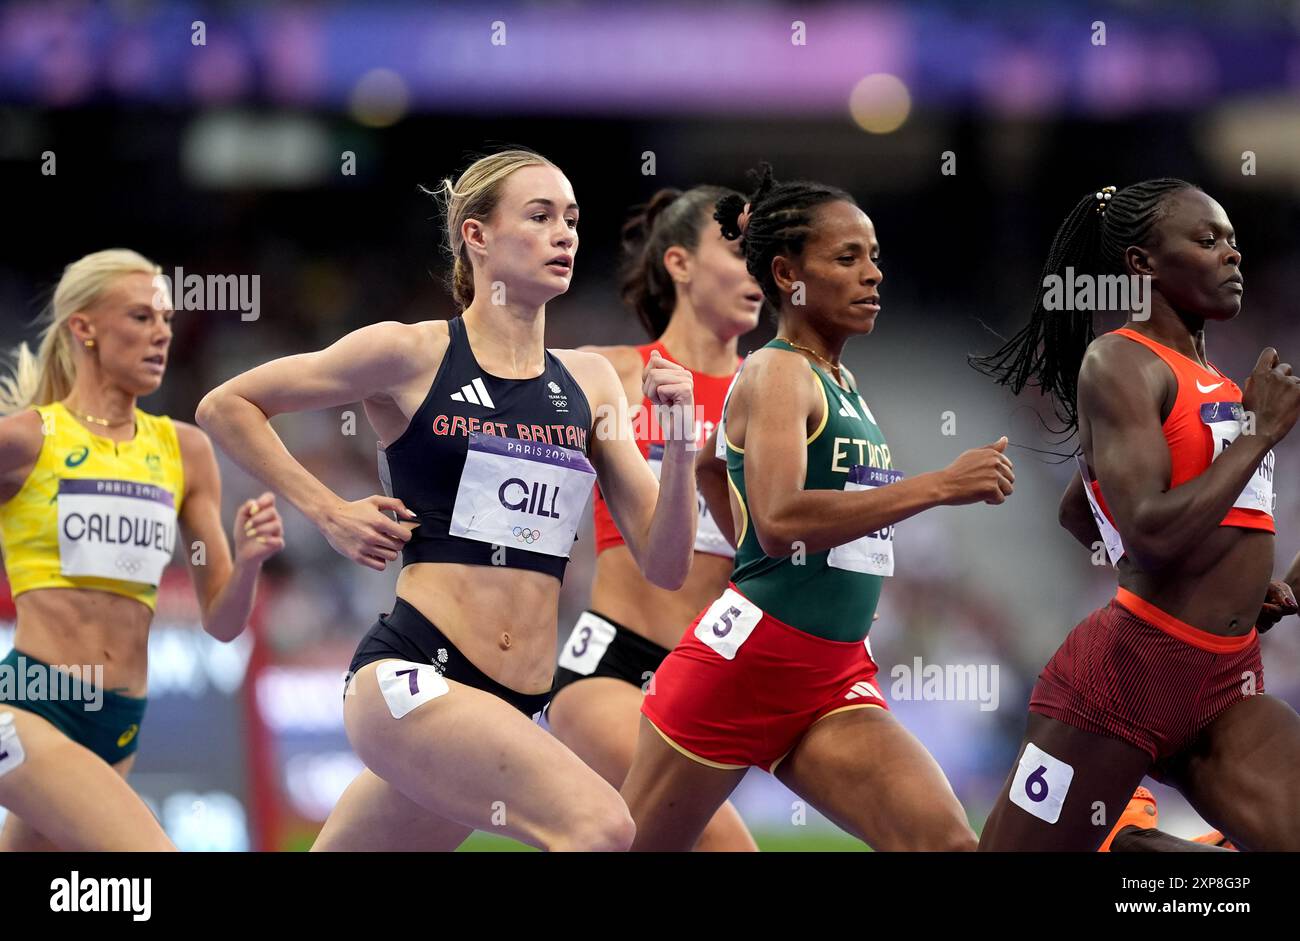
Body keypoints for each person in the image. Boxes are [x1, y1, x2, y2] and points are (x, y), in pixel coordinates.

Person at [197, 149, 700, 851]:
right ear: (477, 235)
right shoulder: (413, 353)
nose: (565, 234)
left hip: (509, 704)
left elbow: (668, 561)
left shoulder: (590, 383)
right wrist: (331, 510)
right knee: (602, 825)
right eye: (540, 215)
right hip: (413, 675)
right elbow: (228, 404)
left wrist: (679, 448)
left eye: (573, 220)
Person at [619, 164, 1016, 851]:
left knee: (947, 842)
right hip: (742, 670)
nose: (873, 274)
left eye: (874, 258)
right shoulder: (779, 371)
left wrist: (741, 542)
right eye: (847, 257)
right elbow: (779, 525)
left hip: (831, 674)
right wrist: (941, 485)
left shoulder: (842, 380)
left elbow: (716, 461)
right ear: (786, 274)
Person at [972, 179, 1300, 850]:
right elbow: (1147, 531)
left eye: (1234, 241)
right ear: (1141, 264)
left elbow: (1081, 508)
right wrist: (1259, 434)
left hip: (1224, 676)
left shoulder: (1224, 381)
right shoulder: (1120, 360)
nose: (1232, 255)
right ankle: (1119, 841)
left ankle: (1124, 844)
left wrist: (1225, 583)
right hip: (1128, 675)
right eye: (1207, 240)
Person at [0, 249, 282, 851]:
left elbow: (224, 622)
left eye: (167, 321)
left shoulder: (184, 450)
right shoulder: (26, 440)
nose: (162, 335)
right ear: (84, 328)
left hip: (118, 723)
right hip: (32, 703)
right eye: (140, 318)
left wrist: (251, 558)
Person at [546, 185, 760, 851]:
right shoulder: (608, 374)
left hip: (728, 679)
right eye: (738, 249)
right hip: (616, 665)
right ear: (679, 262)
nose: (760, 269)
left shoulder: (784, 392)